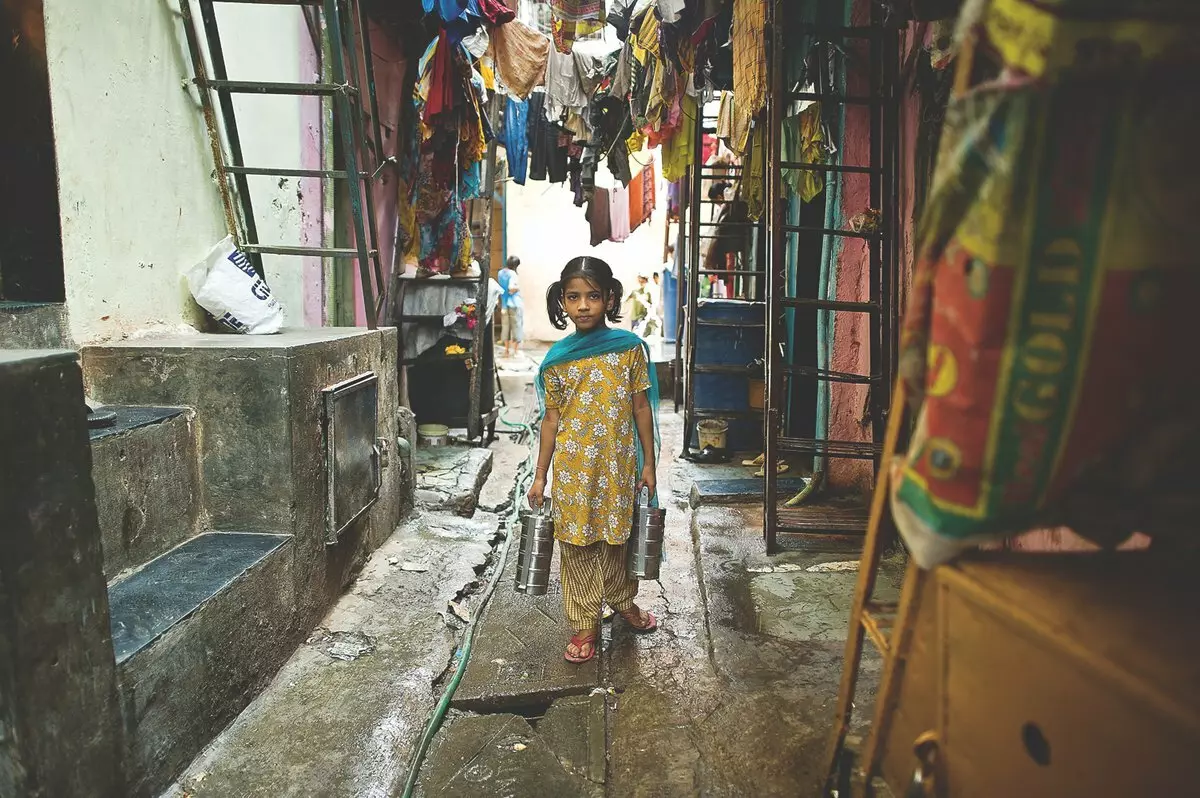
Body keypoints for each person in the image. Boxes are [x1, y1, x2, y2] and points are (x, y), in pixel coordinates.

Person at [527, 256, 661, 664]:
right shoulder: (557, 360)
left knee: (618, 538)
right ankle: (584, 622)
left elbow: (641, 408)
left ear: (609, 299)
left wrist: (649, 464)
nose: (583, 305)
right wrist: (539, 477)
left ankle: (622, 601)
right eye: (573, 297)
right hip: (573, 470)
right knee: (577, 543)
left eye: (592, 296)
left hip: (618, 468)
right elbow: (551, 420)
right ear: (562, 303)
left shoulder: (629, 350)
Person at [497, 256, 524, 357]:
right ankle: (515, 351)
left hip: (504, 304)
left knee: (505, 327)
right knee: (517, 326)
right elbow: (511, 288)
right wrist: (517, 289)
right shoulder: (512, 274)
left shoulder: (500, 273)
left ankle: (507, 351)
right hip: (514, 303)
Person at [625, 270, 659, 338]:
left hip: (642, 317)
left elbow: (651, 304)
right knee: (634, 333)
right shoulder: (634, 291)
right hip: (634, 316)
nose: (642, 282)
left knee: (639, 333)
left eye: (644, 281)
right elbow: (625, 300)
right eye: (641, 280)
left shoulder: (647, 293)